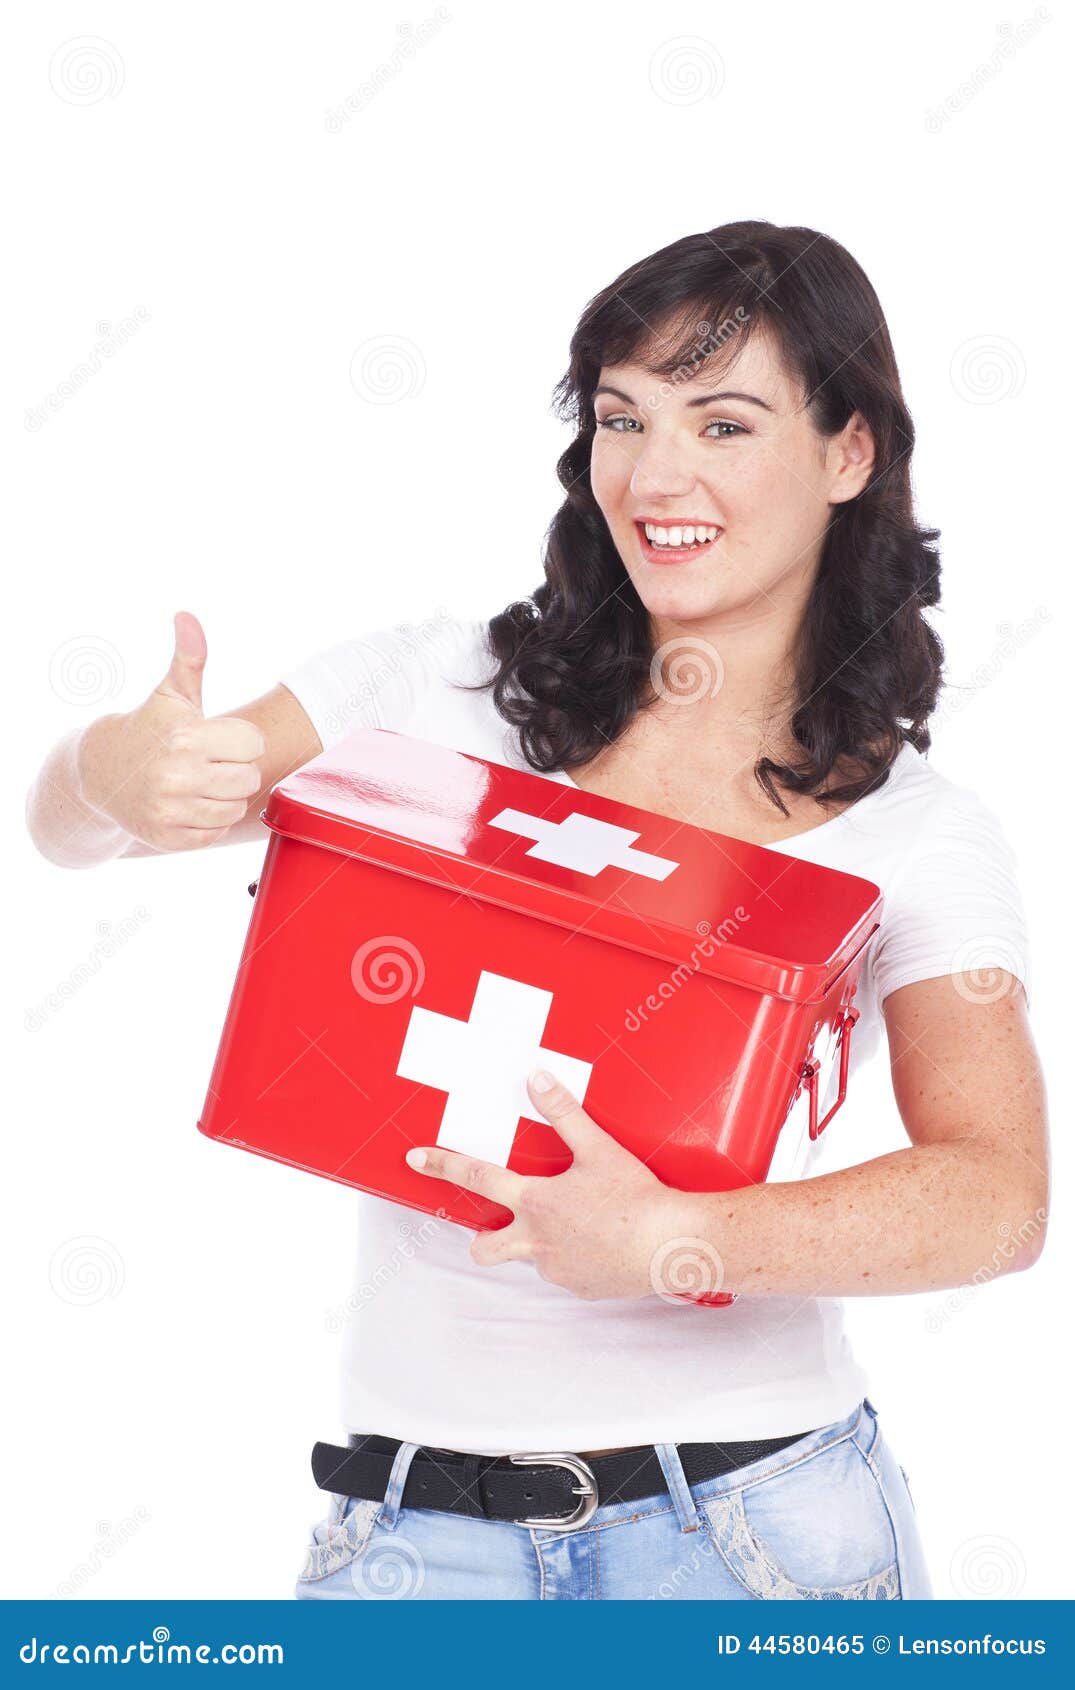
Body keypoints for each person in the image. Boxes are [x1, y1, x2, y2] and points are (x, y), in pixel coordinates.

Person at [26, 220, 1048, 1601]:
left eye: (724, 422)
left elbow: (999, 1196)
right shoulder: (434, 695)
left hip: (754, 1532)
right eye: (621, 417)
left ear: (849, 451)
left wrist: (672, 1243)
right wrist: (118, 769)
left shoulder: (918, 834)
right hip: (414, 1537)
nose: (655, 474)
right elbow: (72, 828)